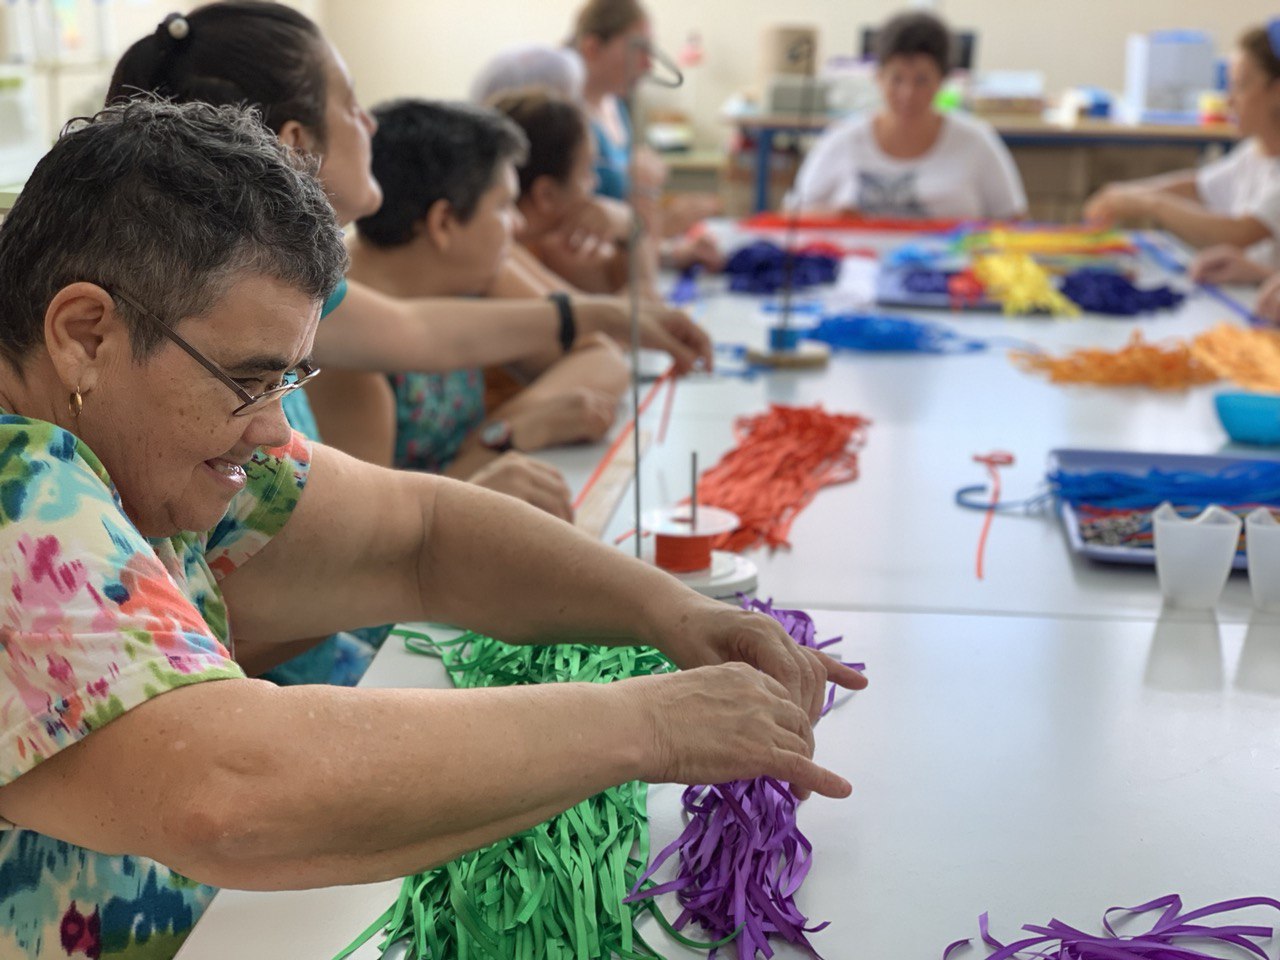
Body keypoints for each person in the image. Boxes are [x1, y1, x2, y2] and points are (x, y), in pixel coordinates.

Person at [0, 98, 865, 960]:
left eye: (284, 382)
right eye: (250, 380)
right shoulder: (19, 490)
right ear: (85, 336)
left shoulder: (140, 440)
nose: (272, 428)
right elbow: (228, 792)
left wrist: (672, 614)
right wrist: (651, 724)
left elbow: (421, 536)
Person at [106, 2, 711, 443]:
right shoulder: (271, 306)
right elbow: (414, 336)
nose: (369, 124)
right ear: (296, 144)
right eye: (351, 104)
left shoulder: (297, 284)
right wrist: (500, 439)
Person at [315, 98, 626, 492]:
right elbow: (373, 529)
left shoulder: (466, 278)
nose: (518, 223)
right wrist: (506, 439)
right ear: (443, 222)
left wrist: (510, 424)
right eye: (504, 205)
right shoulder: (349, 346)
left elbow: (604, 357)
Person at [1086, 25, 1280, 285]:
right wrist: (1122, 194)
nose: (1229, 100)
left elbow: (1236, 233)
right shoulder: (1256, 152)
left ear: (1277, 91)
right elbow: (1200, 187)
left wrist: (1149, 202)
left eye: (1240, 86)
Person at [788, 10, 1027, 221]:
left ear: (943, 80)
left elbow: (1014, 221)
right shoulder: (842, 141)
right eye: (896, 78)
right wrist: (835, 216)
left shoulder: (976, 142)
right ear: (878, 77)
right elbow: (790, 215)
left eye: (922, 80)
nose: (908, 93)